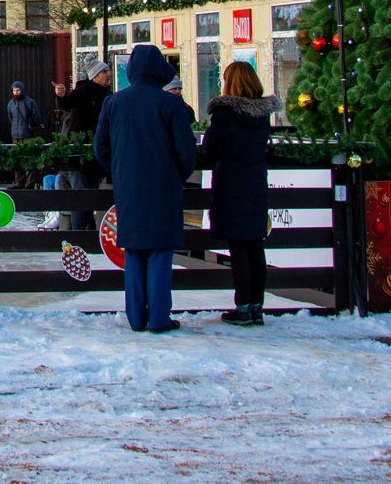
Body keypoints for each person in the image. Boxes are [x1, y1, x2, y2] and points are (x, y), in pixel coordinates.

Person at [94, 43, 196, 334]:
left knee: (134, 250)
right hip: (163, 185)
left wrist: (119, 170)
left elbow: (100, 147)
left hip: (129, 186)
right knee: (161, 251)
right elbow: (185, 151)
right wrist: (176, 173)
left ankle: (136, 316)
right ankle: (159, 317)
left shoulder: (113, 102)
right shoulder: (171, 104)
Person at [204, 62, 276, 326]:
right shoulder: (262, 115)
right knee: (256, 247)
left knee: (239, 250)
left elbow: (210, 148)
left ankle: (243, 306)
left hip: (232, 185)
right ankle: (257, 306)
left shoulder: (225, 115)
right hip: (256, 183)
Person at [45, 58, 114, 231]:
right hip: (78, 153)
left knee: (91, 192)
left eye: (108, 71)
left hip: (95, 151)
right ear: (95, 76)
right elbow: (67, 103)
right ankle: (78, 234)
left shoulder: (107, 94)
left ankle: (86, 230)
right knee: (81, 194)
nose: (108, 74)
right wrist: (60, 96)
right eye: (104, 72)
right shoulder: (84, 91)